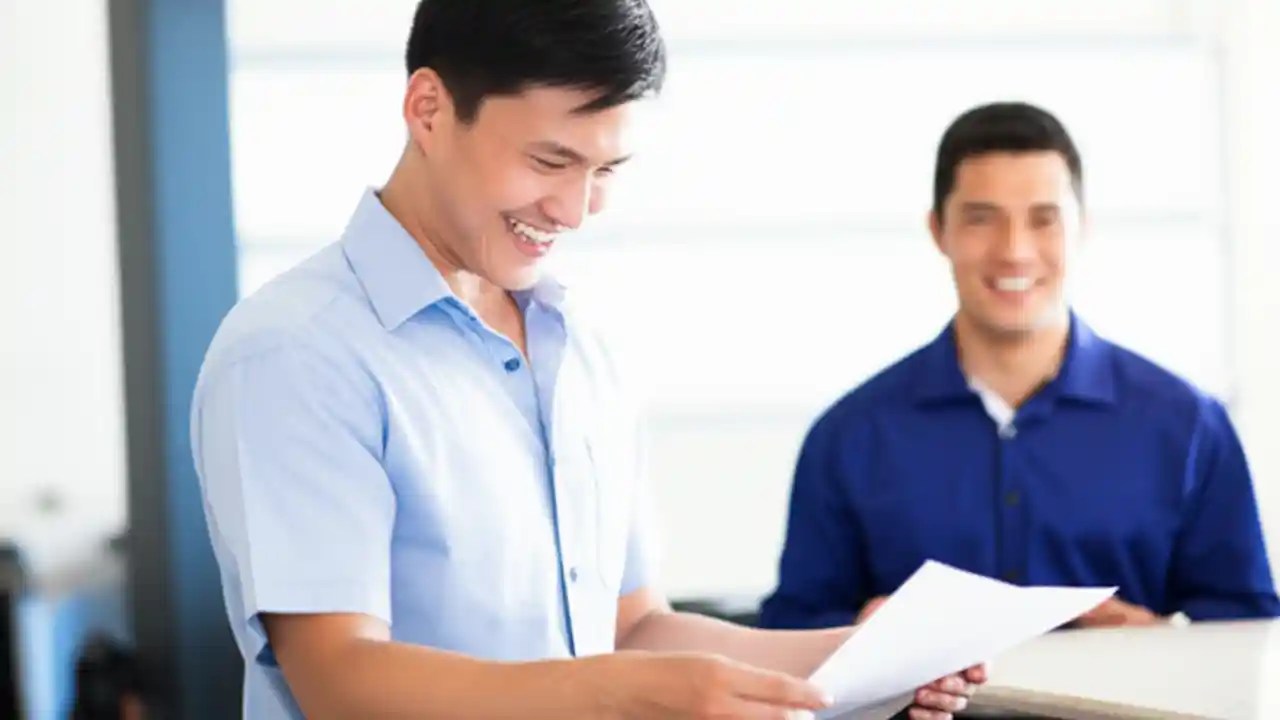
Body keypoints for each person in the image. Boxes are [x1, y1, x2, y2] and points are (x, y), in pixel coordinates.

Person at [191, 2, 983, 717]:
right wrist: (613, 694)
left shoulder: (582, 347)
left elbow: (631, 629)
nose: (573, 210)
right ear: (428, 109)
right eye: (549, 162)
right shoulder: (297, 352)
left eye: (605, 172)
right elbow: (341, 679)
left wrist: (867, 660)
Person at [759, 101, 1280, 633]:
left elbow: (1250, 636)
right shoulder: (849, 436)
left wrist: (1157, 642)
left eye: (1043, 220)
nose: (1014, 251)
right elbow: (790, 633)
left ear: (1082, 229)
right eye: (982, 220)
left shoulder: (1188, 426)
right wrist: (854, 629)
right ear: (939, 231)